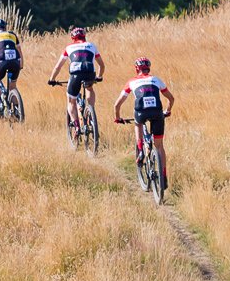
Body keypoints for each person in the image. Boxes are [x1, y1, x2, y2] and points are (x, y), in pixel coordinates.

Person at [113, 57, 174, 191]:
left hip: (141, 112)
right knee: (159, 146)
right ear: (149, 68)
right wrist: (167, 111)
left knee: (138, 123)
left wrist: (117, 117)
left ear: (136, 69)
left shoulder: (132, 82)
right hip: (158, 113)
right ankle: (163, 176)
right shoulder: (156, 79)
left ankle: (140, 149)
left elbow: (117, 104)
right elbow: (171, 98)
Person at [47, 27, 102, 136]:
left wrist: (52, 79)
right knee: (89, 88)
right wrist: (99, 77)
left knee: (71, 100)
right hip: (90, 73)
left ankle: (77, 127)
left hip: (76, 75)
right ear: (84, 36)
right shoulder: (91, 46)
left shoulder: (69, 47)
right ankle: (91, 111)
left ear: (72, 38)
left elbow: (58, 66)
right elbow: (102, 65)